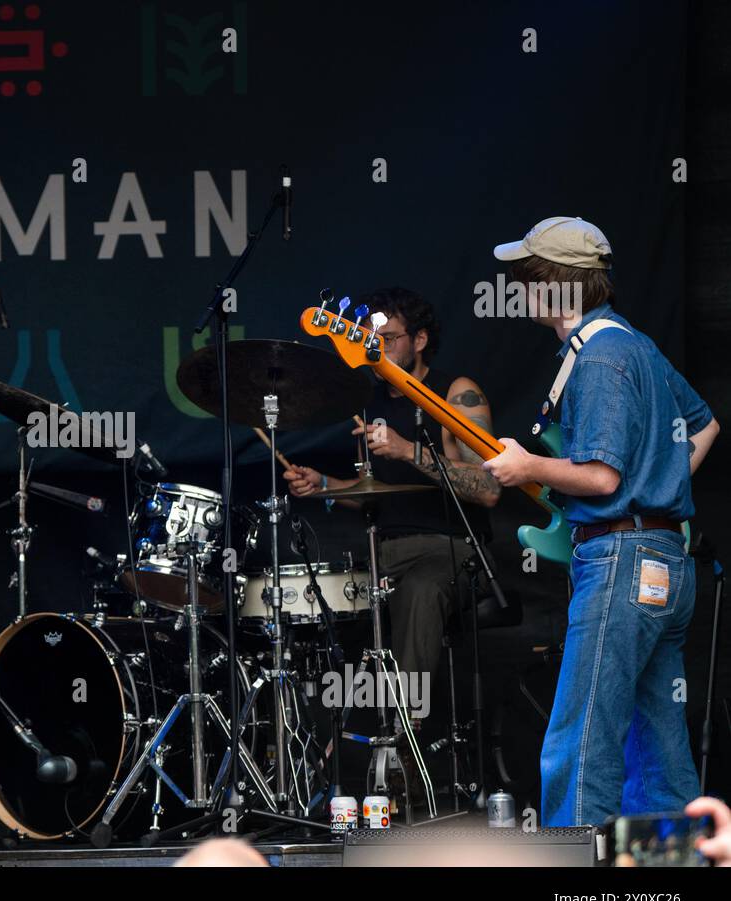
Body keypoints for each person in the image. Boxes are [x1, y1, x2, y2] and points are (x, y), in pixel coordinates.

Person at [483, 216, 719, 826]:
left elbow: (603, 478)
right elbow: (706, 424)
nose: (519, 291)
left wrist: (529, 464)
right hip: (667, 563)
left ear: (552, 284)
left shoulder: (598, 357)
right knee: (660, 746)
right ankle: (678, 866)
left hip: (622, 560)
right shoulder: (634, 343)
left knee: (582, 736)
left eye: (526, 279)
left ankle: (573, 886)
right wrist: (660, 483)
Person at [285, 288, 502, 707]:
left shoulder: (457, 392)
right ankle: (326, 736)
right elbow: (375, 492)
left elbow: (490, 489)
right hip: (385, 553)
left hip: (454, 549)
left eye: (388, 339)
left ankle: (406, 733)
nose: (375, 347)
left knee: (420, 589)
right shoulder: (368, 404)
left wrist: (408, 450)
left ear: (419, 341)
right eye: (370, 338)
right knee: (319, 593)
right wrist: (323, 486)